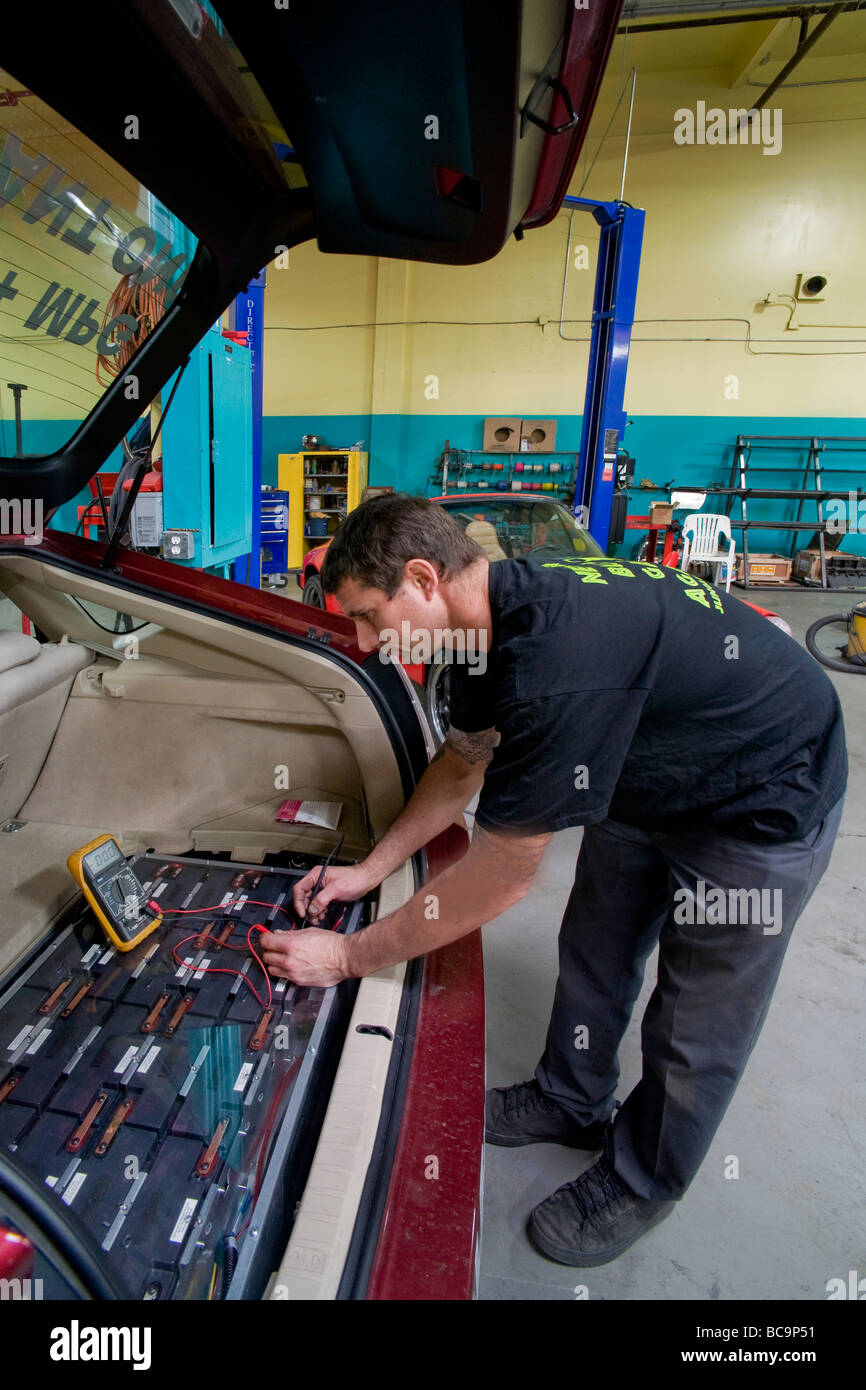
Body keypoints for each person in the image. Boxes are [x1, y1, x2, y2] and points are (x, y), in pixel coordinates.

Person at [260, 493, 847, 1267]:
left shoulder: (556, 664)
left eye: (370, 616)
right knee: (596, 944)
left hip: (761, 791)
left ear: (424, 579)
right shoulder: (480, 629)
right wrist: (371, 867)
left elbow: (499, 879)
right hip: (649, 770)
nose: (366, 643)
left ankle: (642, 1180)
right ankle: (571, 1099)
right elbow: (464, 760)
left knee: (697, 1017)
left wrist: (345, 957)